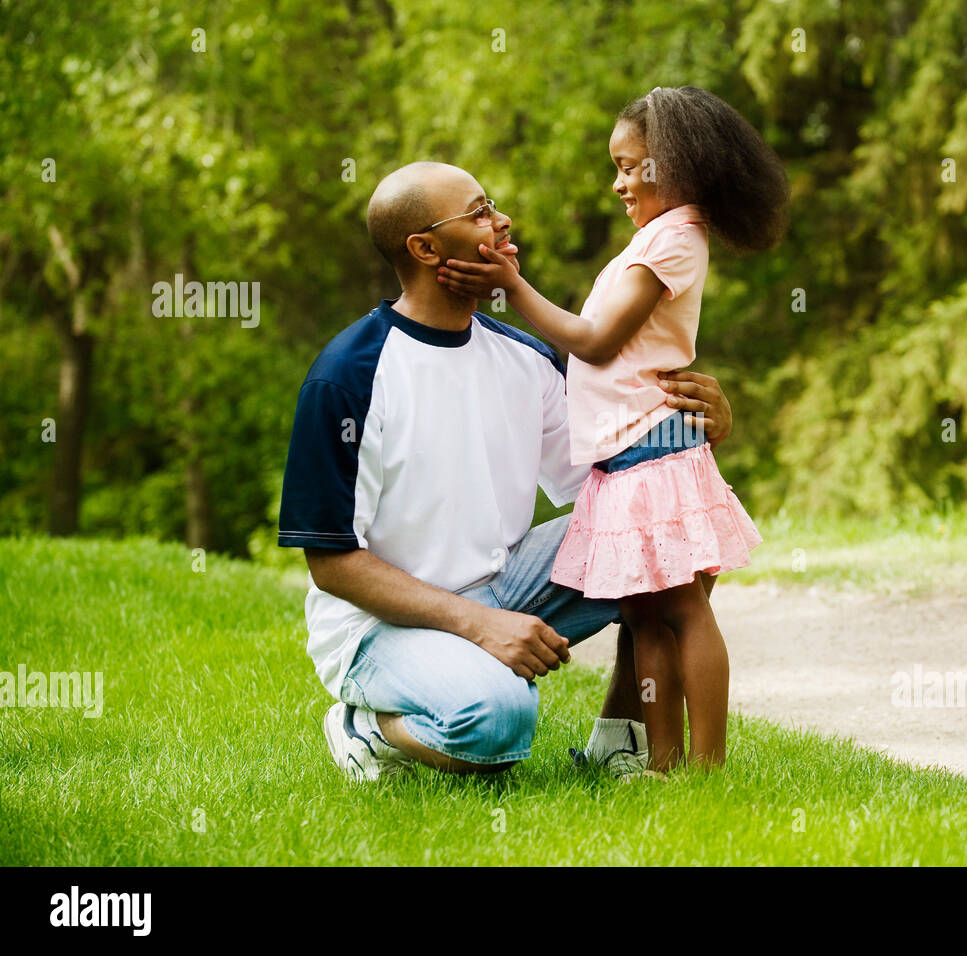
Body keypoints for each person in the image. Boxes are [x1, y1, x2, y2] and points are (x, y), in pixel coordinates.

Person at [277, 160, 736, 780]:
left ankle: (617, 741)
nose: (502, 221)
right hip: (380, 626)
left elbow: (632, 479)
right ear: (425, 247)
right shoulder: (348, 378)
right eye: (479, 213)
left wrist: (702, 425)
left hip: (510, 584)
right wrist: (480, 626)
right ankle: (364, 726)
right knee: (497, 721)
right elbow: (331, 562)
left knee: (670, 545)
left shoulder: (526, 359)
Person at [438, 86, 788, 771]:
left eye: (632, 166)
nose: (618, 183)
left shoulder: (677, 239)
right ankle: (659, 765)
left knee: (682, 608)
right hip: (626, 456)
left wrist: (513, 285)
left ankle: (708, 767)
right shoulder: (655, 239)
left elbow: (595, 342)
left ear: (679, 164)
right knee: (645, 616)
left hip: (652, 451)